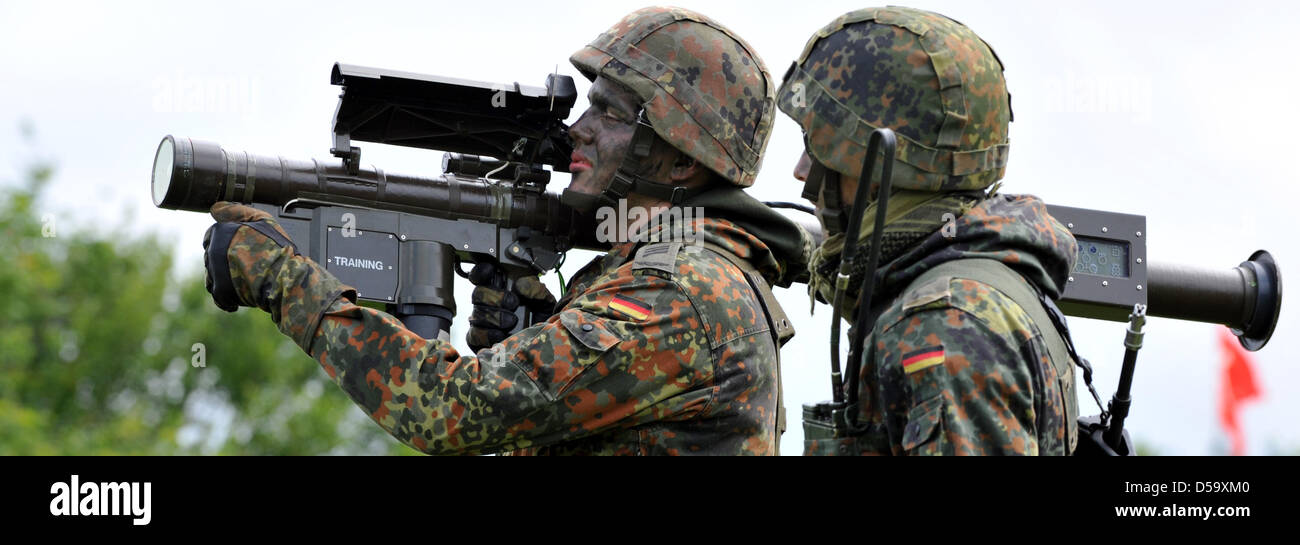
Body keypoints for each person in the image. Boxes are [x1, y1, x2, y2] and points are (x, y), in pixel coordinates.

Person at [200, 6, 812, 455]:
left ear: (680, 159)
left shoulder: (682, 293)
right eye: (587, 103)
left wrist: (284, 280)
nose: (579, 128)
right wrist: (537, 329)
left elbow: (449, 410)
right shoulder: (662, 277)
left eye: (611, 111)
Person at [777, 6, 1082, 455]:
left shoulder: (946, 324)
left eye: (817, 146)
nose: (801, 171)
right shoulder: (971, 285)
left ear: (880, 165)